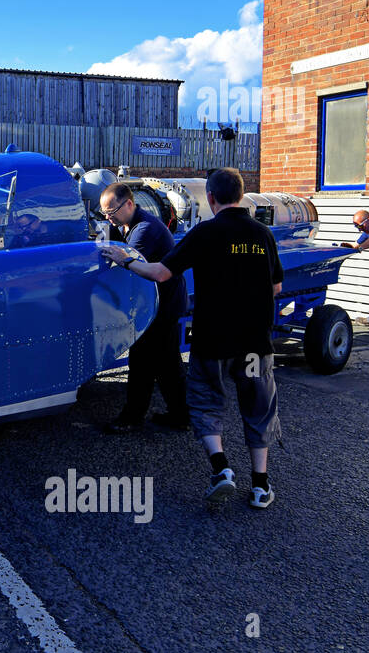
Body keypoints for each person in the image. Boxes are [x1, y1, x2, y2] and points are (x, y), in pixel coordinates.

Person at [100, 168, 283, 510]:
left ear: (210, 198)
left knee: (206, 405)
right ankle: (260, 486)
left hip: (213, 340)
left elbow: (159, 272)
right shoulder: (263, 234)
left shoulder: (205, 233)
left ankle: (221, 469)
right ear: (241, 195)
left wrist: (125, 261)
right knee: (258, 411)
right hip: (256, 344)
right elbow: (276, 288)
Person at [98, 184, 188, 433]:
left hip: (161, 307)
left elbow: (126, 260)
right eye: (104, 213)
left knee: (143, 362)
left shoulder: (145, 229)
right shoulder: (126, 224)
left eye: (112, 211)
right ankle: (180, 416)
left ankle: (132, 417)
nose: (108, 218)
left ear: (129, 204)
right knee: (167, 363)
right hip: (158, 304)